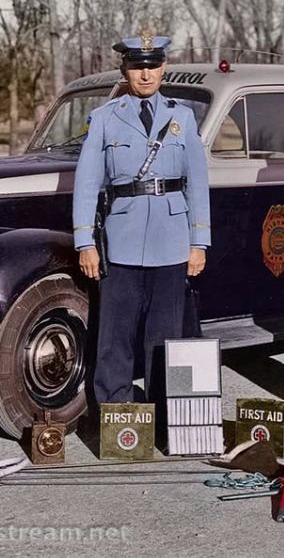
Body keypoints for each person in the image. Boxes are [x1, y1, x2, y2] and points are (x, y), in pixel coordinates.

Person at [72, 33, 211, 407]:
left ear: (163, 68)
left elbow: (196, 184)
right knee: (114, 336)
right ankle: (115, 415)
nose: (146, 75)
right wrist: (85, 242)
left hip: (172, 241)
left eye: (152, 66)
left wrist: (198, 243)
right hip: (122, 241)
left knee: (166, 339)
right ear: (125, 70)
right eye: (137, 67)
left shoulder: (182, 118)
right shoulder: (103, 119)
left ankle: (167, 415)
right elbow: (86, 184)